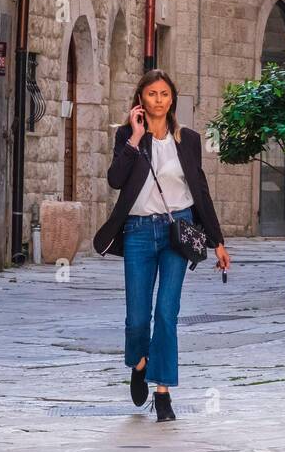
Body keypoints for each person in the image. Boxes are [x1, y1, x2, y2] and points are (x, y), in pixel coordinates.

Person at [93, 68, 230, 421]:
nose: (158, 100)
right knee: (137, 318)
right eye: (152, 94)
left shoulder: (189, 140)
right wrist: (135, 138)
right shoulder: (129, 135)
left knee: (166, 313)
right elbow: (114, 180)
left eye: (164, 94)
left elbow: (200, 191)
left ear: (172, 99)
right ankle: (139, 362)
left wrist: (217, 241)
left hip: (177, 233)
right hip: (138, 232)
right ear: (141, 99)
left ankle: (164, 392)